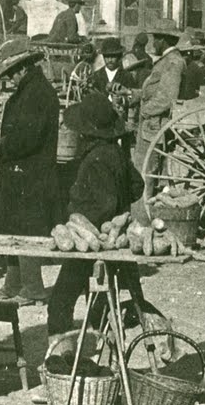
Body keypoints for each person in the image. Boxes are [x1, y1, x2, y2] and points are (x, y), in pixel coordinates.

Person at [46, 93, 158, 336]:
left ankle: (61, 359)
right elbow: (137, 186)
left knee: (59, 303)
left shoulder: (96, 159)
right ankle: (108, 358)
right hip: (116, 246)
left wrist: (79, 218)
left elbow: (103, 205)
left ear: (86, 133)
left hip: (93, 243)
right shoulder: (114, 152)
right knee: (105, 307)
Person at [0, 43, 58, 305]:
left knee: (26, 228)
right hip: (21, 172)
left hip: (30, 172)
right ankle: (13, 282)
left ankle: (32, 287)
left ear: (23, 69)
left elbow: (27, 138)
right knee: (14, 226)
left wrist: (0, 145)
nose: (10, 78)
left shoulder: (36, 94)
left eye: (12, 72)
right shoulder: (30, 91)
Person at [132, 18, 186, 169]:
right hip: (151, 125)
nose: (153, 43)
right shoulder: (168, 60)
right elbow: (154, 91)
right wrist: (133, 94)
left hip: (155, 126)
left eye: (155, 39)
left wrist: (144, 110)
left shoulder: (173, 61)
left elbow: (167, 98)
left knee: (145, 170)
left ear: (163, 40)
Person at [177, 31, 205, 100]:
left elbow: (201, 90)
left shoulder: (196, 68)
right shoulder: (175, 66)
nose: (185, 57)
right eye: (181, 54)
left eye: (187, 53)